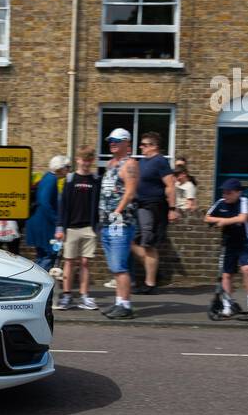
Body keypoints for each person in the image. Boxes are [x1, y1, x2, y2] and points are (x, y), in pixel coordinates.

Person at [99, 128, 140, 319]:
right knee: (114, 266)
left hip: (120, 223)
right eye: (110, 140)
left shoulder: (130, 164)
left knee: (119, 266)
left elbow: (130, 192)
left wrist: (116, 212)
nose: (112, 143)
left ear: (126, 143)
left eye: (116, 140)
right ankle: (118, 302)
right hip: (107, 223)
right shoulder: (111, 163)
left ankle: (125, 305)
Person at [130, 132, 178, 293]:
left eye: (144, 144)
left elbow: (170, 185)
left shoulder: (160, 161)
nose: (141, 147)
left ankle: (150, 284)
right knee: (131, 241)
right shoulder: (142, 162)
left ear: (153, 146)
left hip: (154, 207)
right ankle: (153, 270)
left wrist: (172, 209)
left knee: (148, 244)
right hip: (139, 206)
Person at [55, 146, 101, 311]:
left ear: (92, 161)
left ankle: (84, 296)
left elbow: (99, 205)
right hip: (71, 228)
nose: (86, 163)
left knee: (85, 263)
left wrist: (98, 226)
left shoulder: (96, 180)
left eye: (89, 160)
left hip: (89, 227)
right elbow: (63, 205)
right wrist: (60, 227)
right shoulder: (70, 179)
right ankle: (67, 295)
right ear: (77, 160)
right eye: (83, 159)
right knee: (69, 262)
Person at [206, 178, 248, 313]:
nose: (225, 195)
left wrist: (223, 222)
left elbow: (242, 218)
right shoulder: (220, 203)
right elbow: (207, 218)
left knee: (247, 269)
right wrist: (222, 220)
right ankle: (227, 304)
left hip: (245, 242)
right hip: (229, 243)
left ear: (238, 193)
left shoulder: (244, 201)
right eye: (224, 192)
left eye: (229, 192)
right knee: (227, 275)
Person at [27, 155, 70, 269]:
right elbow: (44, 202)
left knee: (43, 255)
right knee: (49, 255)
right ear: (60, 168)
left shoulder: (47, 177)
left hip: (39, 223)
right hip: (44, 225)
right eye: (67, 167)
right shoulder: (51, 180)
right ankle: (38, 281)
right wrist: (57, 221)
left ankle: (34, 281)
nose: (68, 170)